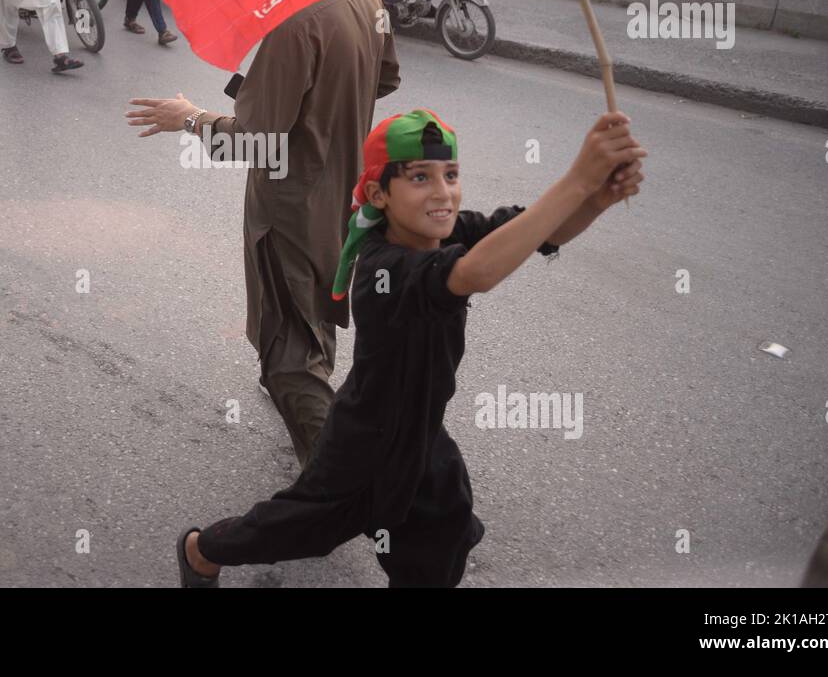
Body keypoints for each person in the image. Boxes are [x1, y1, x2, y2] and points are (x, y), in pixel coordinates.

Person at [174, 108, 647, 587]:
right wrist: (576, 179)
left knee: (443, 533)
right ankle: (202, 550)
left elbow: (538, 233)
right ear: (380, 193)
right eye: (420, 177)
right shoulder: (385, 268)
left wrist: (597, 196)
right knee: (298, 529)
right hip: (365, 446)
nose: (442, 192)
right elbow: (476, 273)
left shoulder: (445, 231)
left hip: (422, 433)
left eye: (451, 175)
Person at [125, 0, 402, 467]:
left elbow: (253, 141)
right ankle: (313, 382)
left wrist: (189, 118)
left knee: (285, 353)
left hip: (289, 205)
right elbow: (385, 78)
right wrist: (325, 108)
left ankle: (337, 475)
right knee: (316, 294)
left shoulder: (295, 22)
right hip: (344, 185)